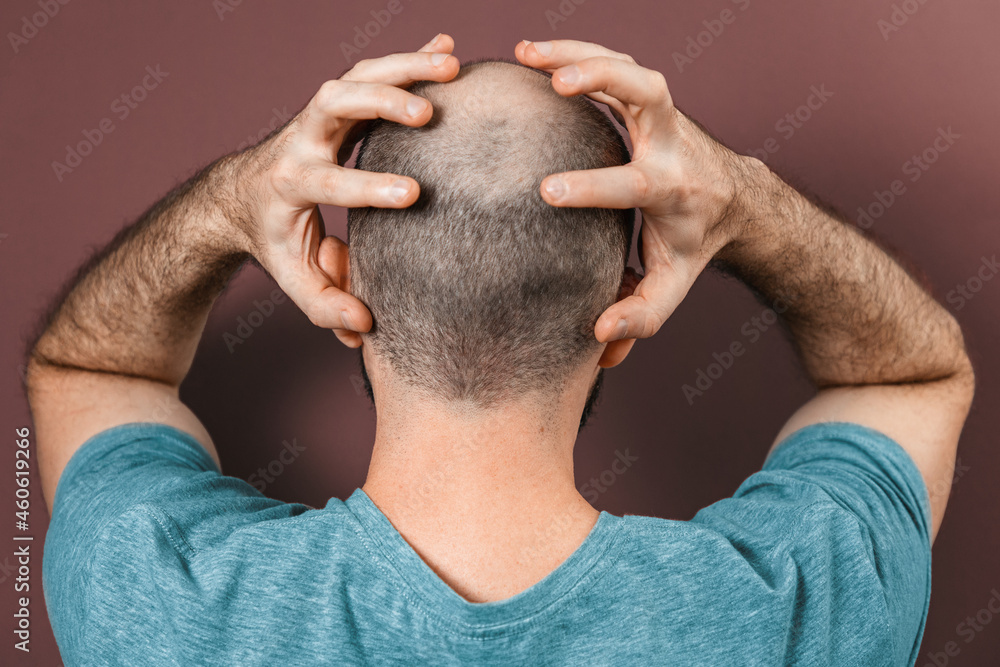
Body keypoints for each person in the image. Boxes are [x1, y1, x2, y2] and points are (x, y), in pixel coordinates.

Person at [28, 34, 974, 666]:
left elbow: (90, 369)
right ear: (626, 309)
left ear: (341, 289)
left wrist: (233, 199)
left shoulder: (159, 600)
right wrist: (746, 200)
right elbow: (913, 374)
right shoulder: (793, 614)